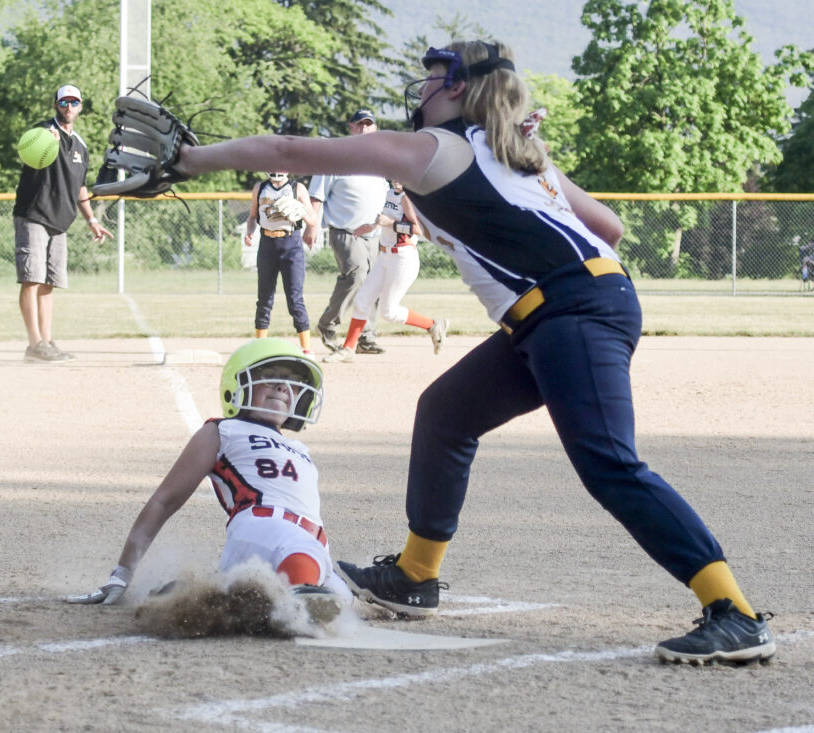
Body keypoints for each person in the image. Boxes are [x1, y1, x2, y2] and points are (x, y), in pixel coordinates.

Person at [173, 40, 774, 665]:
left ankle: (735, 613)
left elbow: (286, 152)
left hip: (569, 311)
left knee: (610, 465)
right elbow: (610, 229)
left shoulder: (437, 148)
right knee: (446, 413)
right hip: (559, 310)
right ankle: (415, 576)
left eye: (433, 77)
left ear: (458, 87)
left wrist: (190, 161)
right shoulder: (516, 149)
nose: (423, 89)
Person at [67, 339, 349, 622]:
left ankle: (209, 596)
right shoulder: (225, 430)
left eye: (292, 383)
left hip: (312, 547)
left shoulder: (301, 450)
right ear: (239, 385)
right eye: (270, 376)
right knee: (303, 565)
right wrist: (122, 573)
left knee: (344, 601)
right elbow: (164, 501)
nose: (282, 387)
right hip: (263, 529)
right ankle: (293, 604)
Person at [14, 84, 113, 362]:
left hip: (60, 222)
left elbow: (80, 187)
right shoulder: (43, 132)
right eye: (64, 102)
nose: (69, 106)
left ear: (80, 107)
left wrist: (92, 219)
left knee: (49, 283)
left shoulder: (80, 145)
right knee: (31, 278)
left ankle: (46, 341)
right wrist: (45, 139)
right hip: (34, 214)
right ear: (56, 105)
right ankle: (34, 344)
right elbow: (28, 146)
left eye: (74, 102)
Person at [324, 180, 448, 363]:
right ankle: (348, 349)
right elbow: (385, 218)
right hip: (385, 256)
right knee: (361, 301)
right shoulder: (390, 193)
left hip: (403, 258)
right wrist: (372, 226)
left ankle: (433, 325)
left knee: (389, 311)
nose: (396, 178)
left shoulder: (409, 197)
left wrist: (390, 223)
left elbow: (419, 229)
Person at [306, 109, 390, 355]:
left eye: (368, 124)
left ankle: (366, 337)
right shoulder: (336, 157)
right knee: (357, 274)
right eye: (359, 124)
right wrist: (312, 225)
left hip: (374, 233)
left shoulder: (378, 160)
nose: (364, 128)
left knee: (374, 284)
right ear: (351, 127)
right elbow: (316, 195)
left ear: (375, 128)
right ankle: (328, 325)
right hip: (346, 231)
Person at [244, 172, 318, 353]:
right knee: (264, 299)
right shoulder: (260, 187)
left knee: (295, 299)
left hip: (291, 244)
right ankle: (260, 348)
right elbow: (253, 216)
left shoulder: (297, 188)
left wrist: (302, 212)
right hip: (267, 244)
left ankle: (306, 349)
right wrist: (250, 231)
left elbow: (313, 220)